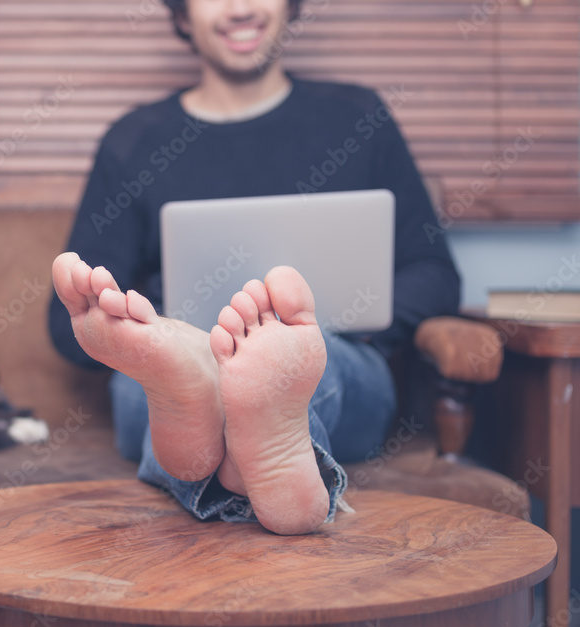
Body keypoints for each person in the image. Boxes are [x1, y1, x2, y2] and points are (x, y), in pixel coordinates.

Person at [48, 0, 461, 535]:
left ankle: (231, 399)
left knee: (308, 357)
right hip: (170, 355)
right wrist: (137, 323)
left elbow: (433, 273)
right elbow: (66, 324)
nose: (240, 6)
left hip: (338, 357)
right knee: (157, 368)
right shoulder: (135, 142)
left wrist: (344, 317)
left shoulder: (359, 119)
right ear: (180, 15)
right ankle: (235, 430)